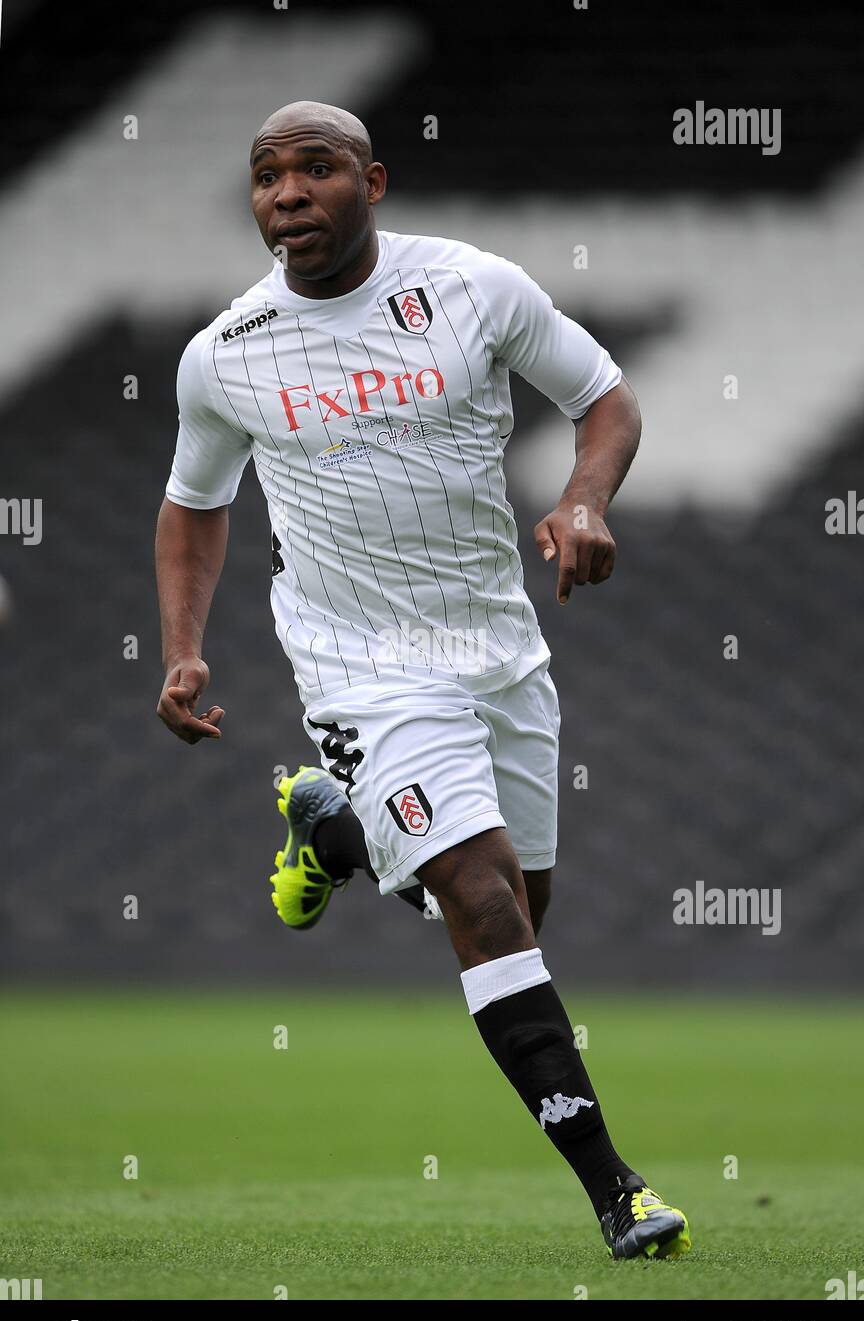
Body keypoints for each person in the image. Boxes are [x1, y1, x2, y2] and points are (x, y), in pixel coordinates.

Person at [155, 99, 691, 1261]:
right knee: (482, 904)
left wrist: (585, 497)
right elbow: (195, 505)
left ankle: (336, 833)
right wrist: (184, 645)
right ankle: (619, 1190)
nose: (288, 194)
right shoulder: (224, 356)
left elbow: (606, 398)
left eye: (316, 170)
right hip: (360, 668)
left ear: (374, 181)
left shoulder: (472, 290)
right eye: (266, 177)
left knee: (518, 912)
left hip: (496, 648)